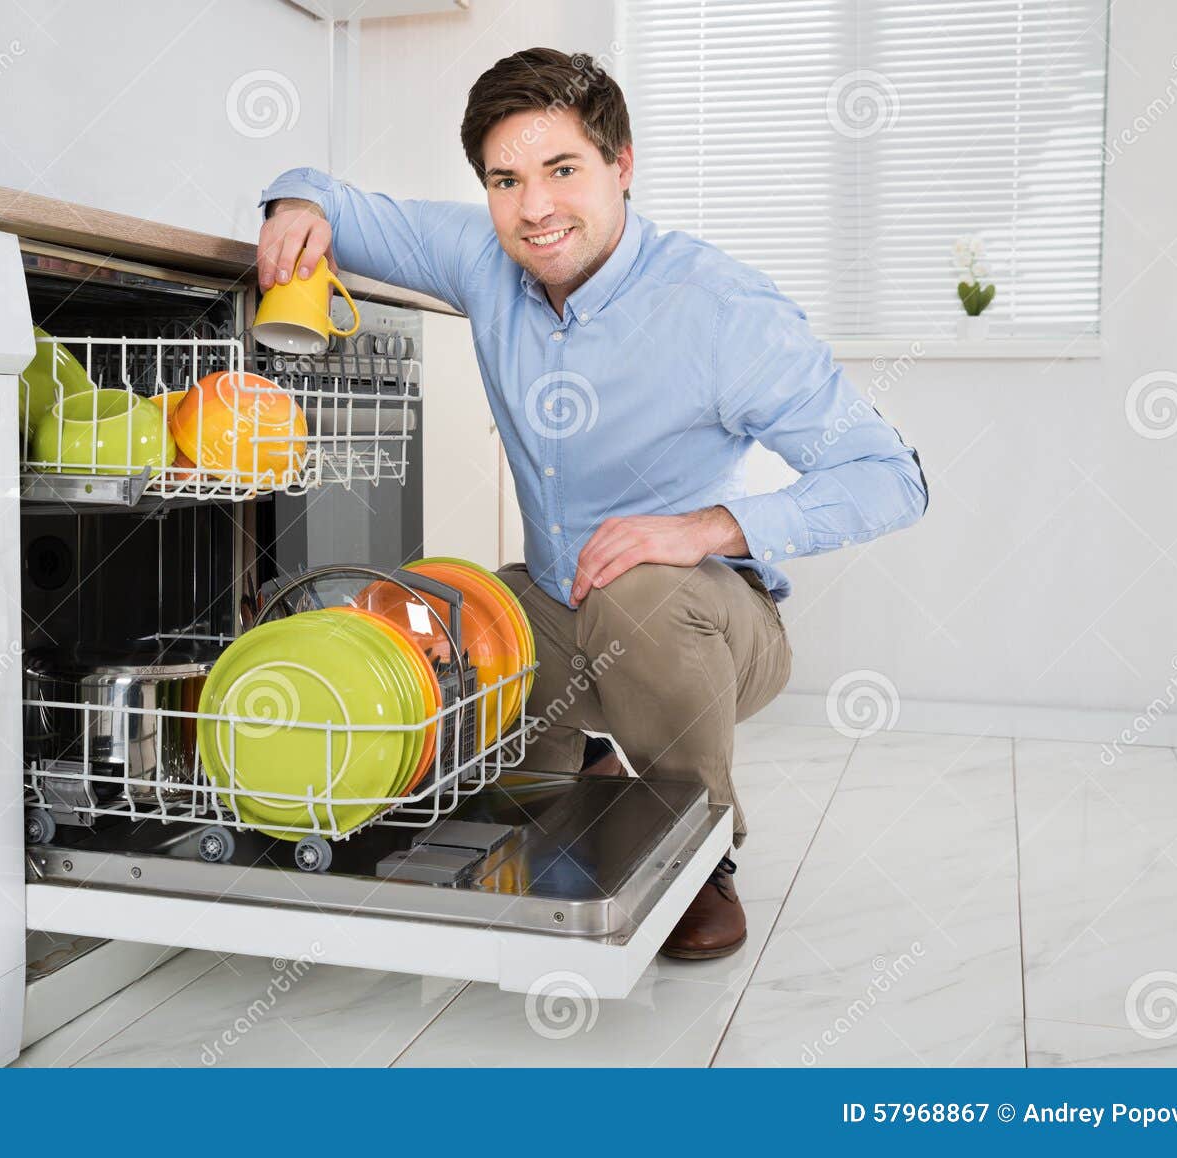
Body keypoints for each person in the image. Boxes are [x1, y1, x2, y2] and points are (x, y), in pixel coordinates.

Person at [256, 47, 928, 960]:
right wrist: (296, 207)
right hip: (565, 601)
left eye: (562, 170)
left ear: (622, 166)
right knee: (436, 611)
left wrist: (711, 527)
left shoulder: (721, 309)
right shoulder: (484, 257)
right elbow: (333, 200)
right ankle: (563, 787)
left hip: (712, 631)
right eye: (507, 179)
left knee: (640, 581)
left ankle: (698, 855)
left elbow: (891, 477)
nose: (535, 208)